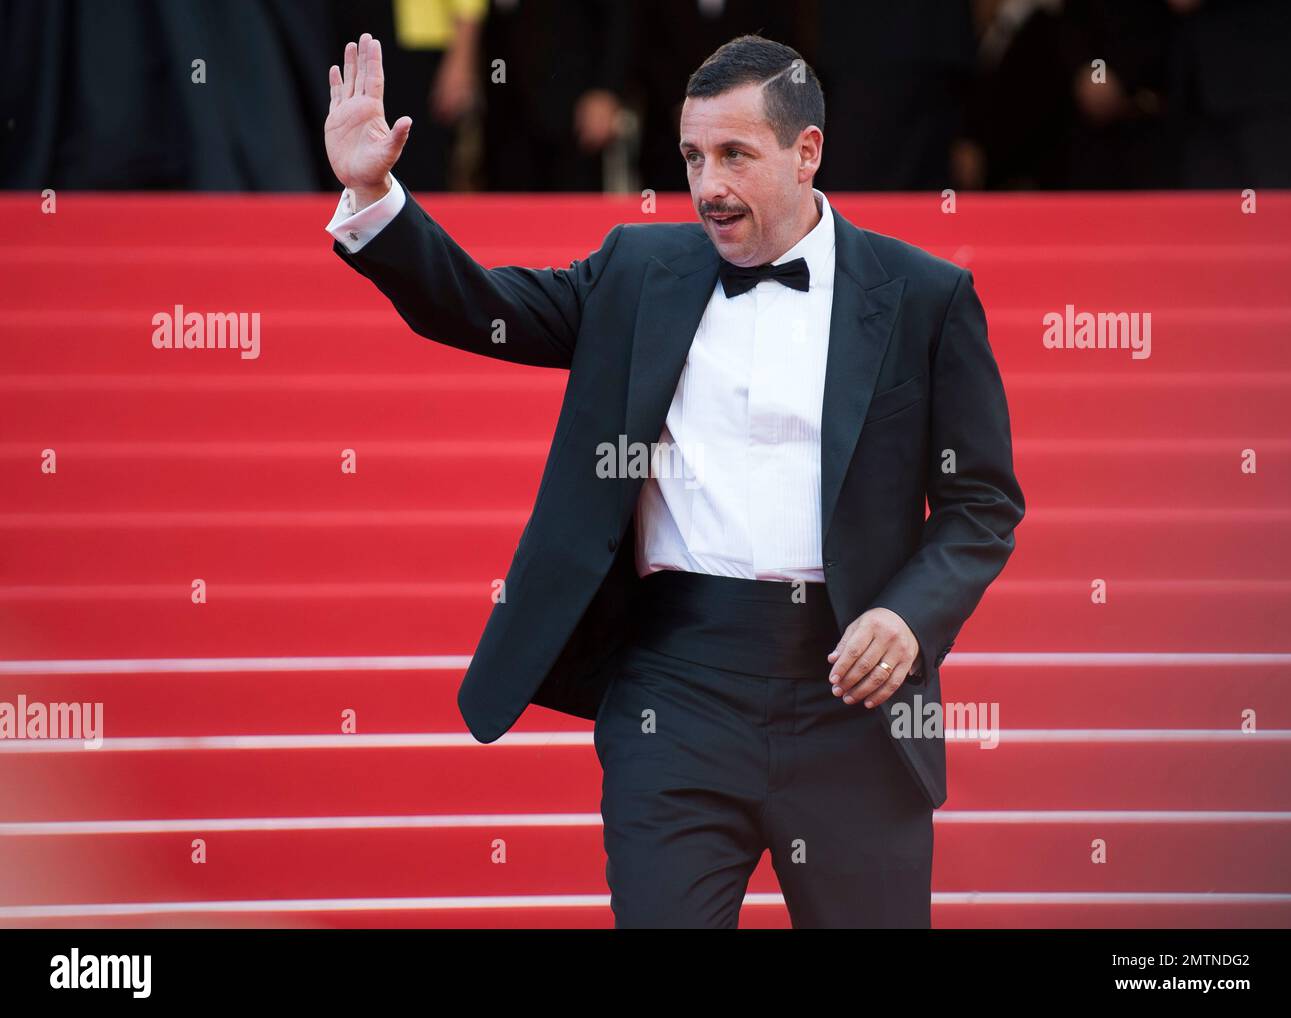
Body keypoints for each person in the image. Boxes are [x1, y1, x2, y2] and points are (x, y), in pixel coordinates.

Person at [322, 32, 1025, 928]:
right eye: (693, 156)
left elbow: (982, 502)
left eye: (736, 155)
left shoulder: (924, 296)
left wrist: (908, 614)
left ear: (808, 151)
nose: (708, 186)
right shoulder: (638, 271)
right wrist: (376, 196)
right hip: (677, 692)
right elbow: (481, 308)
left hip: (858, 696)